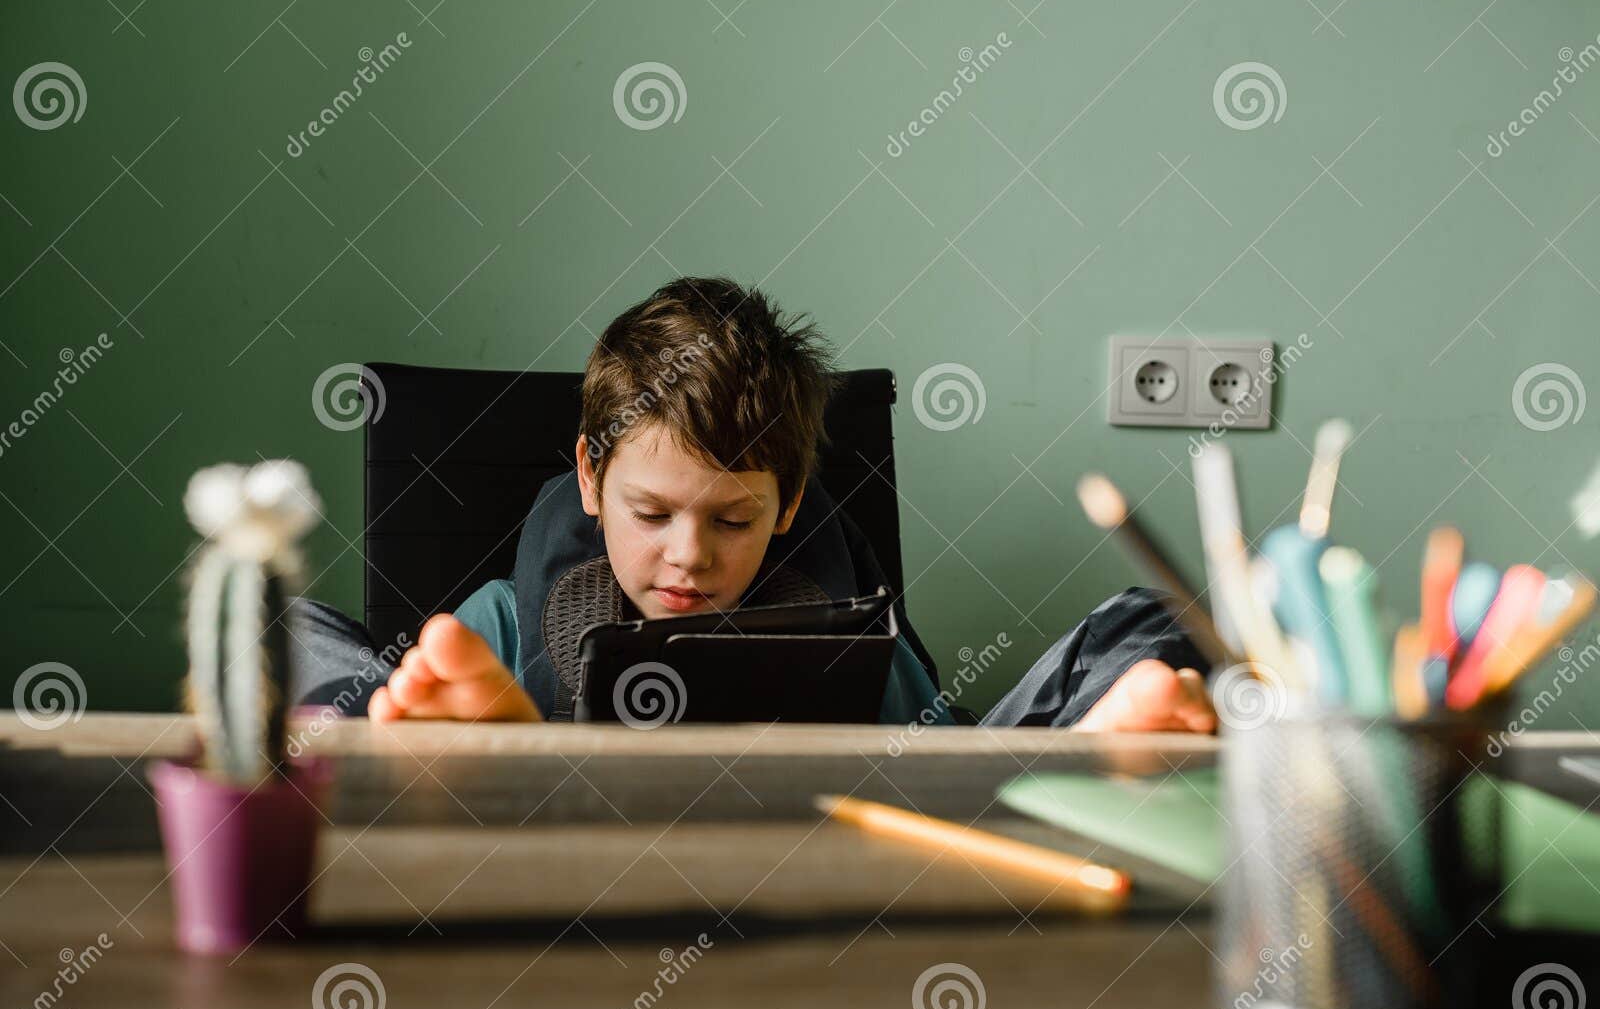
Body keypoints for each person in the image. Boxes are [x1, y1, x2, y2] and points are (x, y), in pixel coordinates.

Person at [290, 277, 1216, 734]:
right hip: (562, 833)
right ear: (588, 478)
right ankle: (491, 750)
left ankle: (1070, 759)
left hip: (827, 840)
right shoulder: (505, 619)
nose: (688, 556)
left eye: (731, 519)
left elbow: (932, 765)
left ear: (786, 508)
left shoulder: (848, 627)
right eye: (650, 515)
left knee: (1151, 618)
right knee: (284, 625)